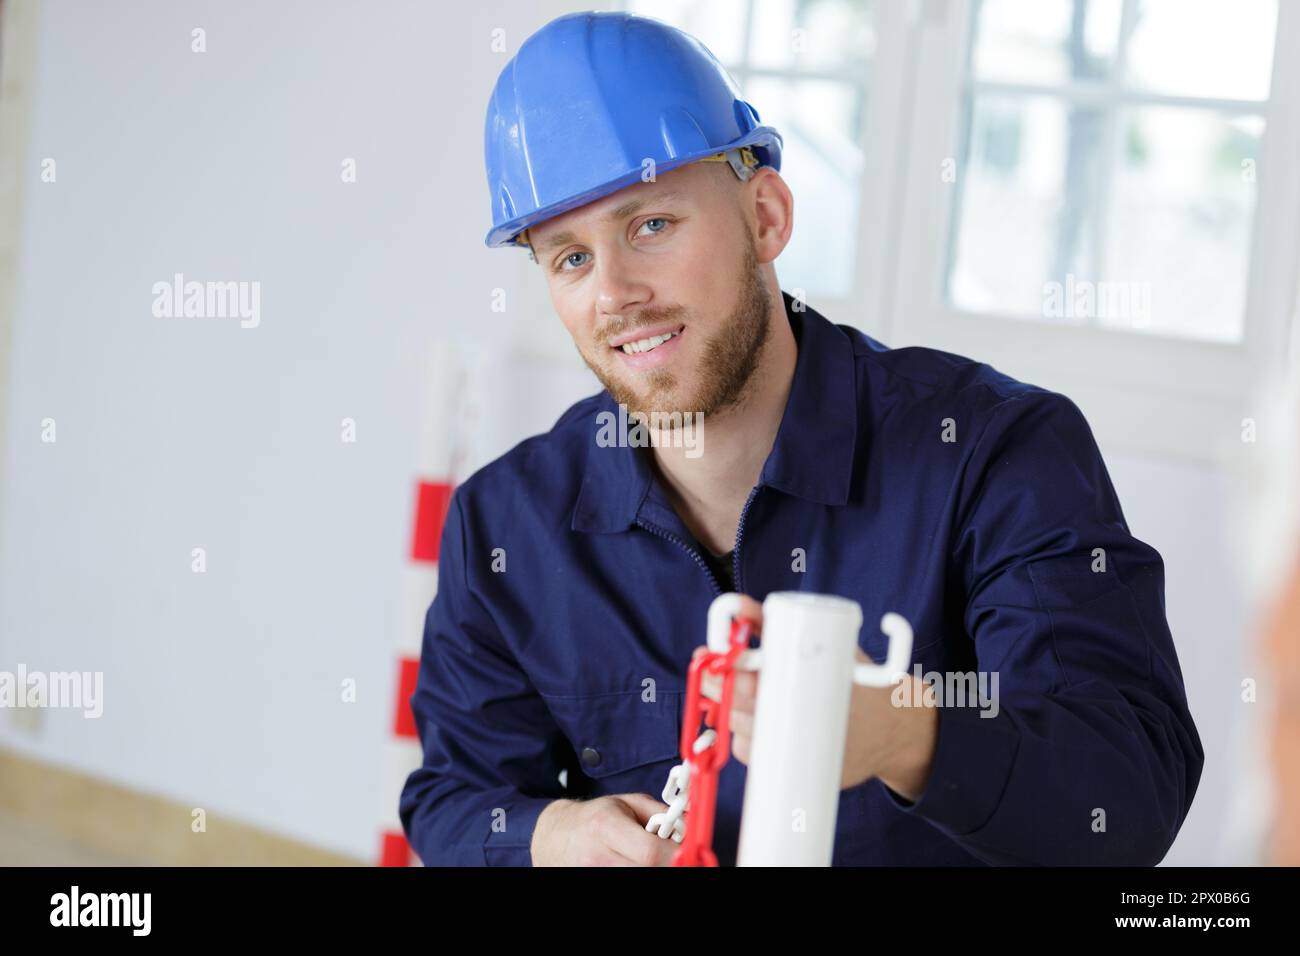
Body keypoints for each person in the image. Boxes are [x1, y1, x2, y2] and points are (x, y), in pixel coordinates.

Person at [399, 11, 1204, 866]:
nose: (615, 295)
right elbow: (453, 799)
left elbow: (1128, 797)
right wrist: (550, 834)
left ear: (767, 217)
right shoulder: (504, 525)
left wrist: (907, 736)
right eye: (569, 258)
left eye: (651, 226)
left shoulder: (995, 454)